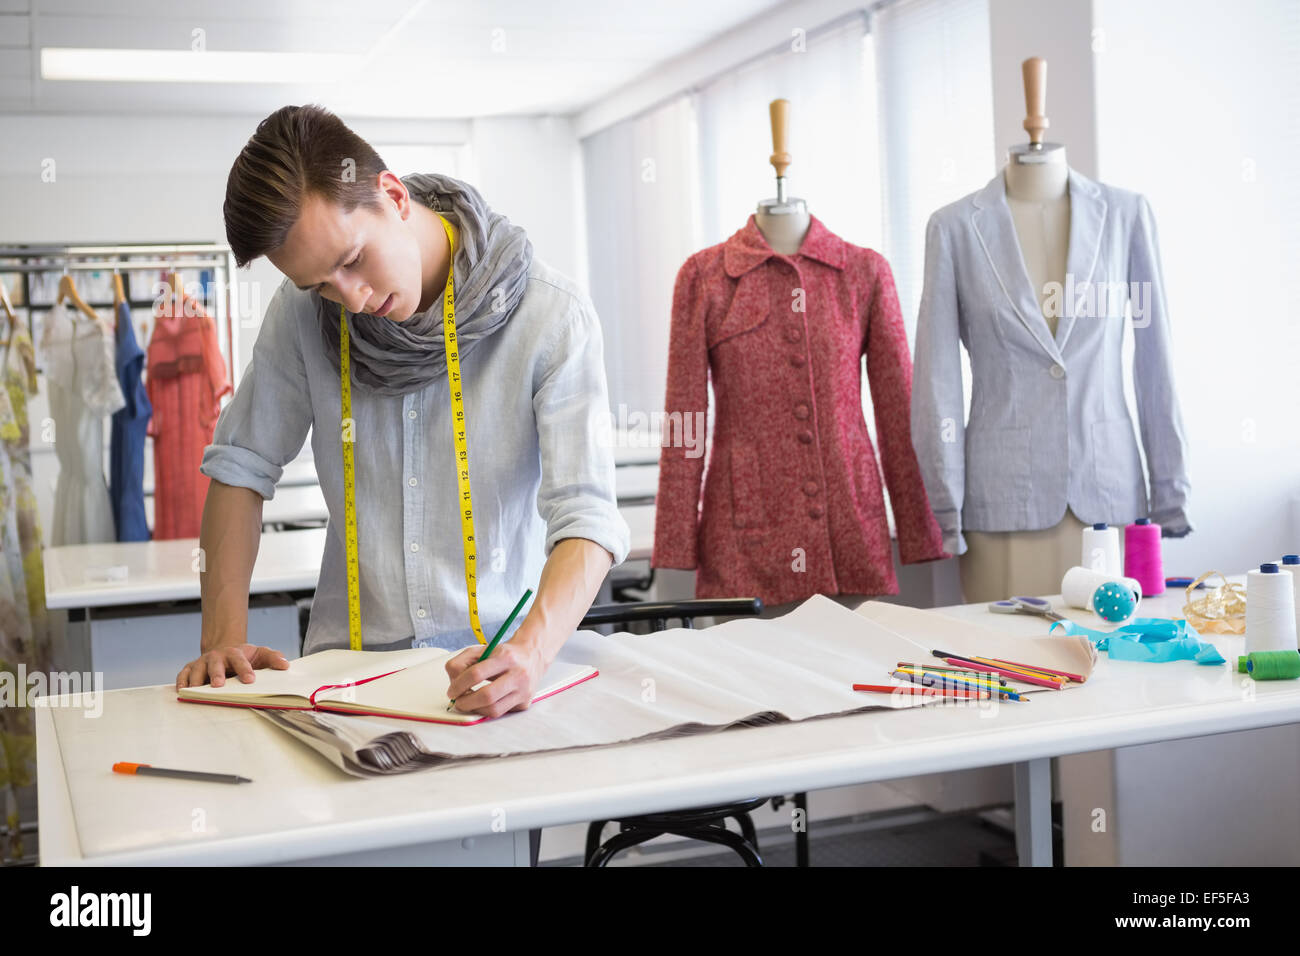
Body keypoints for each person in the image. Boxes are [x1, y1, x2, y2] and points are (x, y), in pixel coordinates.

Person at [175, 104, 629, 718]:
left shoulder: (550, 317)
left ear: (392, 195)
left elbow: (587, 515)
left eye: (353, 260)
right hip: (344, 685)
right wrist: (222, 640)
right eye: (322, 285)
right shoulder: (303, 316)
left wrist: (530, 653)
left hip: (493, 675)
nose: (354, 300)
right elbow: (240, 465)